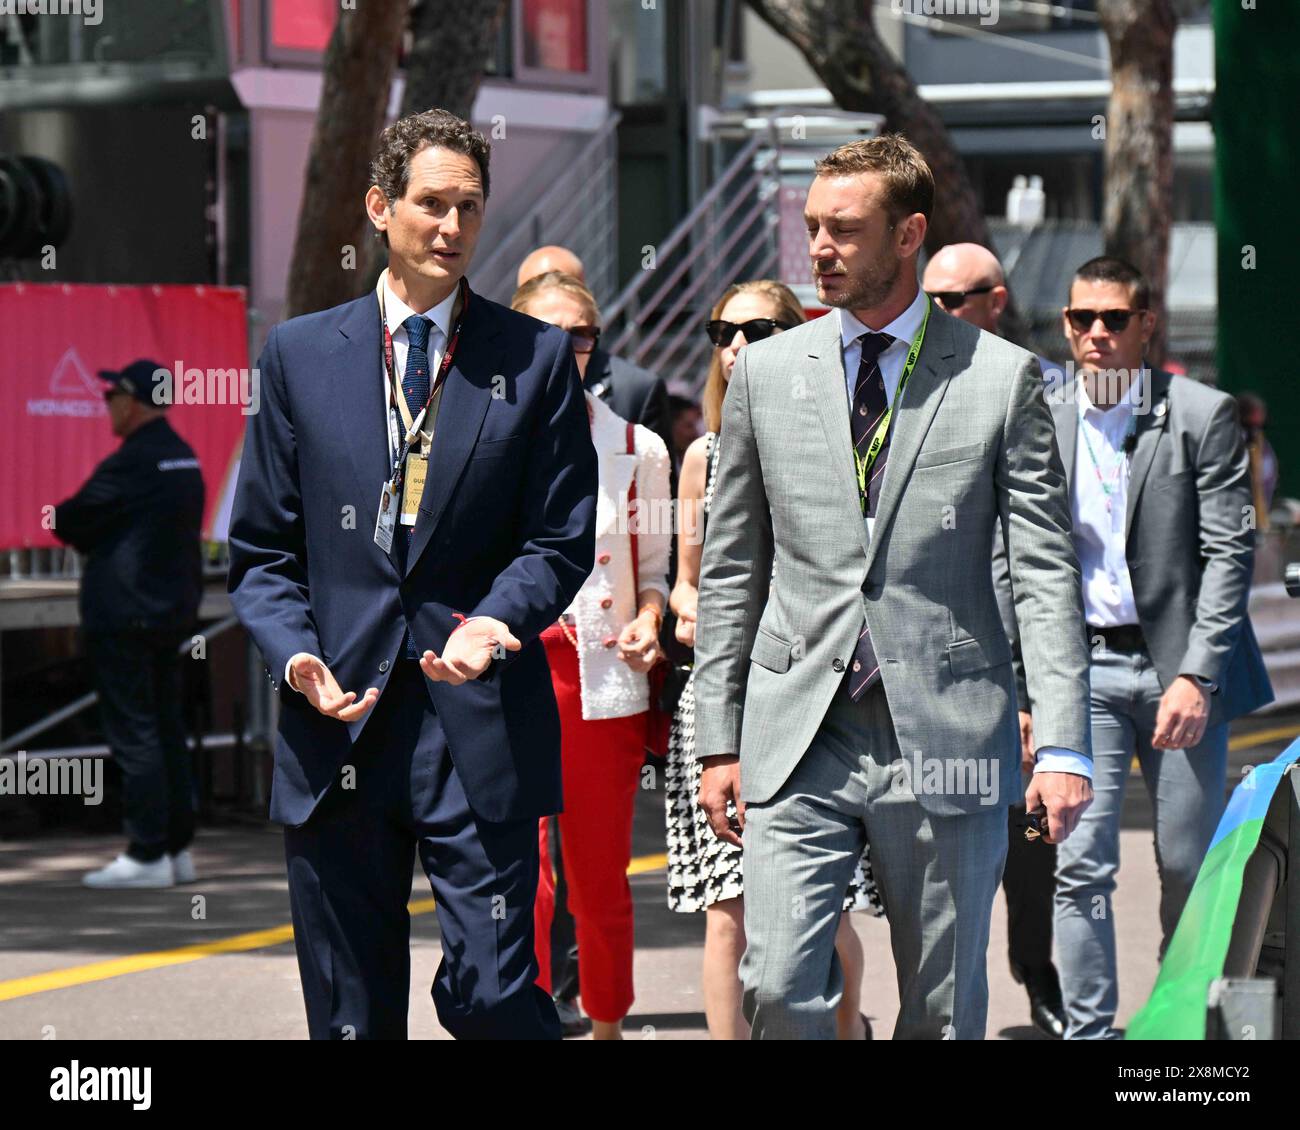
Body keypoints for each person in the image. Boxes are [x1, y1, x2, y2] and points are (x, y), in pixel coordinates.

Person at [693, 135, 1093, 1040]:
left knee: (943, 1008)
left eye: (845, 229)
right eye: (811, 229)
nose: (820, 250)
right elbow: (730, 572)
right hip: (803, 728)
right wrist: (717, 739)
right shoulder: (763, 373)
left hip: (946, 730)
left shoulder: (999, 379)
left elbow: (1042, 572)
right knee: (781, 991)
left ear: (909, 233)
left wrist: (1064, 741)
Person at [227, 108, 598, 1040]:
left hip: (478, 726)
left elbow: (559, 538)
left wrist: (495, 621)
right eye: (432, 204)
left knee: (498, 1002)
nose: (453, 228)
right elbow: (262, 551)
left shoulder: (536, 357)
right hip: (336, 726)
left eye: (470, 208)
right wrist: (294, 655)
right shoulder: (300, 357)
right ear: (378, 207)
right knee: (349, 1020)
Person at [1019, 255, 1274, 1039]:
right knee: (1079, 864)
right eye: (1080, 319)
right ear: (1065, 326)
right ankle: (1090, 1034)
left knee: (1187, 866)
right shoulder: (1040, 412)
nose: (1096, 334)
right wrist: (1031, 692)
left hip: (1178, 670)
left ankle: (1177, 1025)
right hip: (1079, 670)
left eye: (1114, 319)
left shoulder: (1200, 413)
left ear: (1145, 325)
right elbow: (1014, 557)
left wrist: (1196, 674)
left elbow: (1231, 553)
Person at [666, 279, 882, 1041]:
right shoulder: (702, 455)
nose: (736, 345)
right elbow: (688, 583)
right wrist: (684, 610)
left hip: (814, 697)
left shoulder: (840, 440)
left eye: (757, 330)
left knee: (822, 911)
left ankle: (848, 1032)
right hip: (724, 699)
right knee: (727, 914)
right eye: (722, 330)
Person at [517, 245, 675, 1023]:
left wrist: (650, 620)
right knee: (521, 877)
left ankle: (607, 1022)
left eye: (581, 337)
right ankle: (530, 1021)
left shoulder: (636, 447)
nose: (566, 351)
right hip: (507, 670)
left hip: (599, 678)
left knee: (597, 877)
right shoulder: (476, 441)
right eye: (547, 335)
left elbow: (657, 573)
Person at [922, 242, 1067, 1039]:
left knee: (1030, 852)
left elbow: (1036, 561)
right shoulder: (903, 387)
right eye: (931, 299)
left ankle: (1039, 979)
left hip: (1012, 670)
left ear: (996, 300)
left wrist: (1027, 690)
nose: (940, 313)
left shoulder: (1025, 387)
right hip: (932, 674)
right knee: (946, 868)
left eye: (958, 299)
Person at [54, 358, 205, 889]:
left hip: (126, 616)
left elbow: (71, 518)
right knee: (166, 730)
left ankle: (146, 855)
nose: (106, 406)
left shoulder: (133, 462)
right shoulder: (182, 457)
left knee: (137, 733)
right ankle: (174, 849)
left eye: (111, 396)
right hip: (170, 615)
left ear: (133, 401)